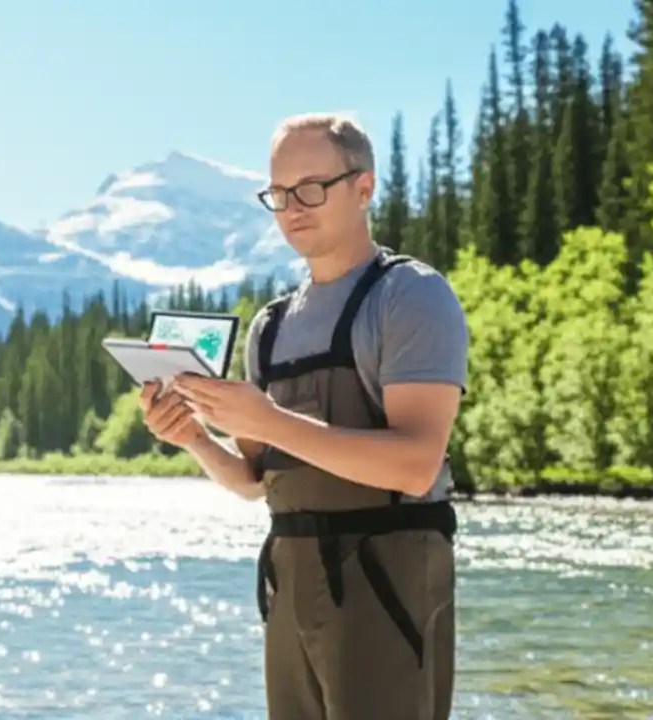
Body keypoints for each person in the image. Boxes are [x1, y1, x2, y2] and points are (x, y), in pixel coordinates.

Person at [139, 112, 468, 719]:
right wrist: (196, 439)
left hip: (385, 584)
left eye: (311, 188)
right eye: (279, 193)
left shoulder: (411, 297)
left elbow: (417, 465)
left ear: (363, 188)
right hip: (291, 589)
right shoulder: (269, 327)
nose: (292, 207)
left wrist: (267, 420)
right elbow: (257, 480)